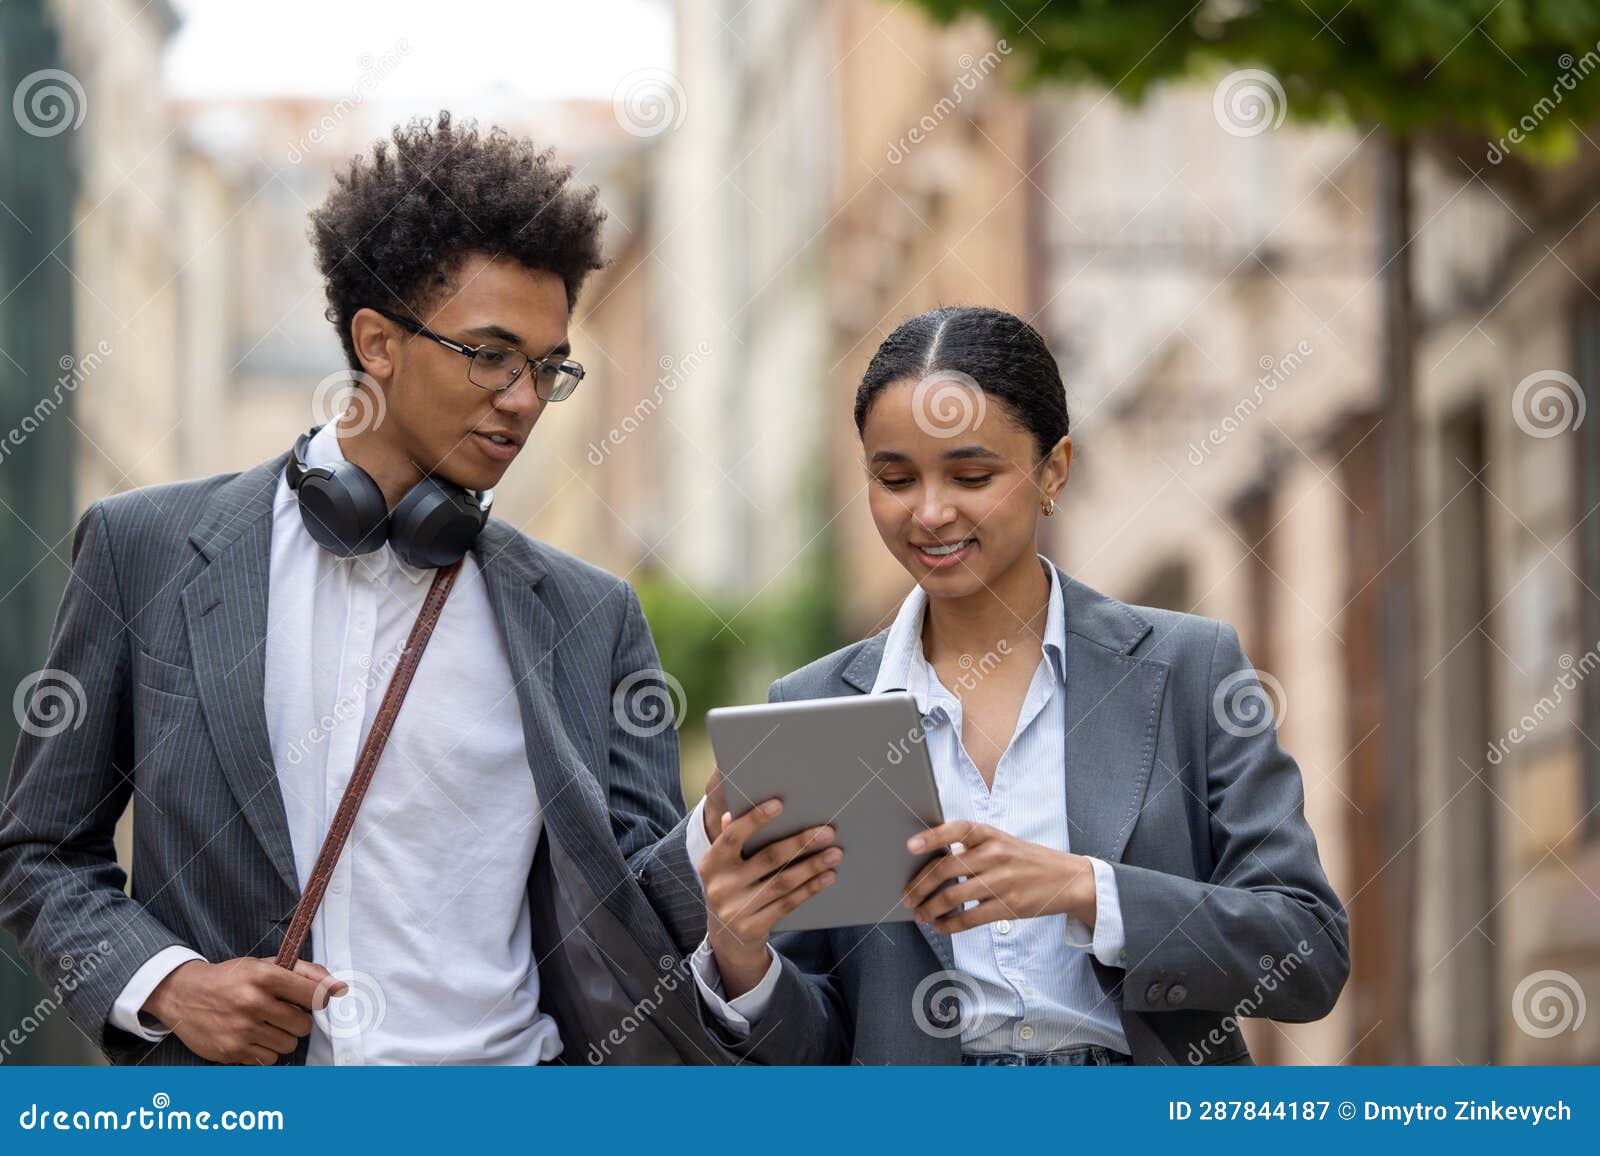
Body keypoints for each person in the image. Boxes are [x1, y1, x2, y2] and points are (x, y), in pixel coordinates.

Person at [0, 112, 721, 1066]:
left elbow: (634, 915)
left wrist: (722, 853)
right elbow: (40, 852)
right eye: (491, 355)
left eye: (549, 368)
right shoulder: (145, 551)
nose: (523, 398)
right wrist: (170, 985)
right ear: (377, 342)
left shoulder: (593, 616)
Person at [688, 305, 1350, 1065]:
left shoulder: (1188, 670)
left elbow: (1308, 952)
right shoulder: (813, 710)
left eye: (972, 476)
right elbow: (822, 1049)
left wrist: (1084, 890)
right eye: (895, 479)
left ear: (1053, 470)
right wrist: (741, 953)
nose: (930, 513)